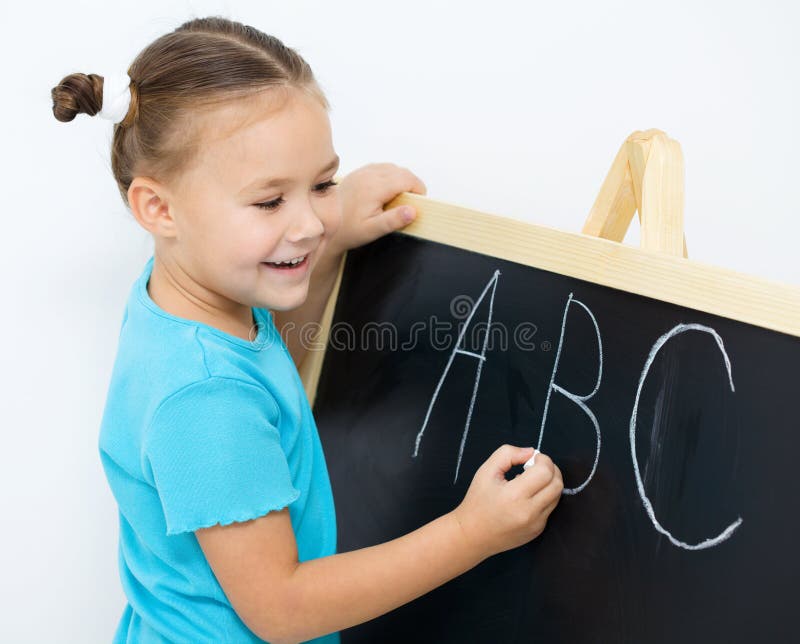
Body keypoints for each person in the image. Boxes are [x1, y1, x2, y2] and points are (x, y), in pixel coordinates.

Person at [51, 15, 563, 644]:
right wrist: (470, 533)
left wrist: (338, 224)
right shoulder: (206, 400)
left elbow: (270, 377)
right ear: (159, 208)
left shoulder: (191, 297)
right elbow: (283, 608)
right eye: (270, 201)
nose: (309, 224)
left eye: (322, 182)